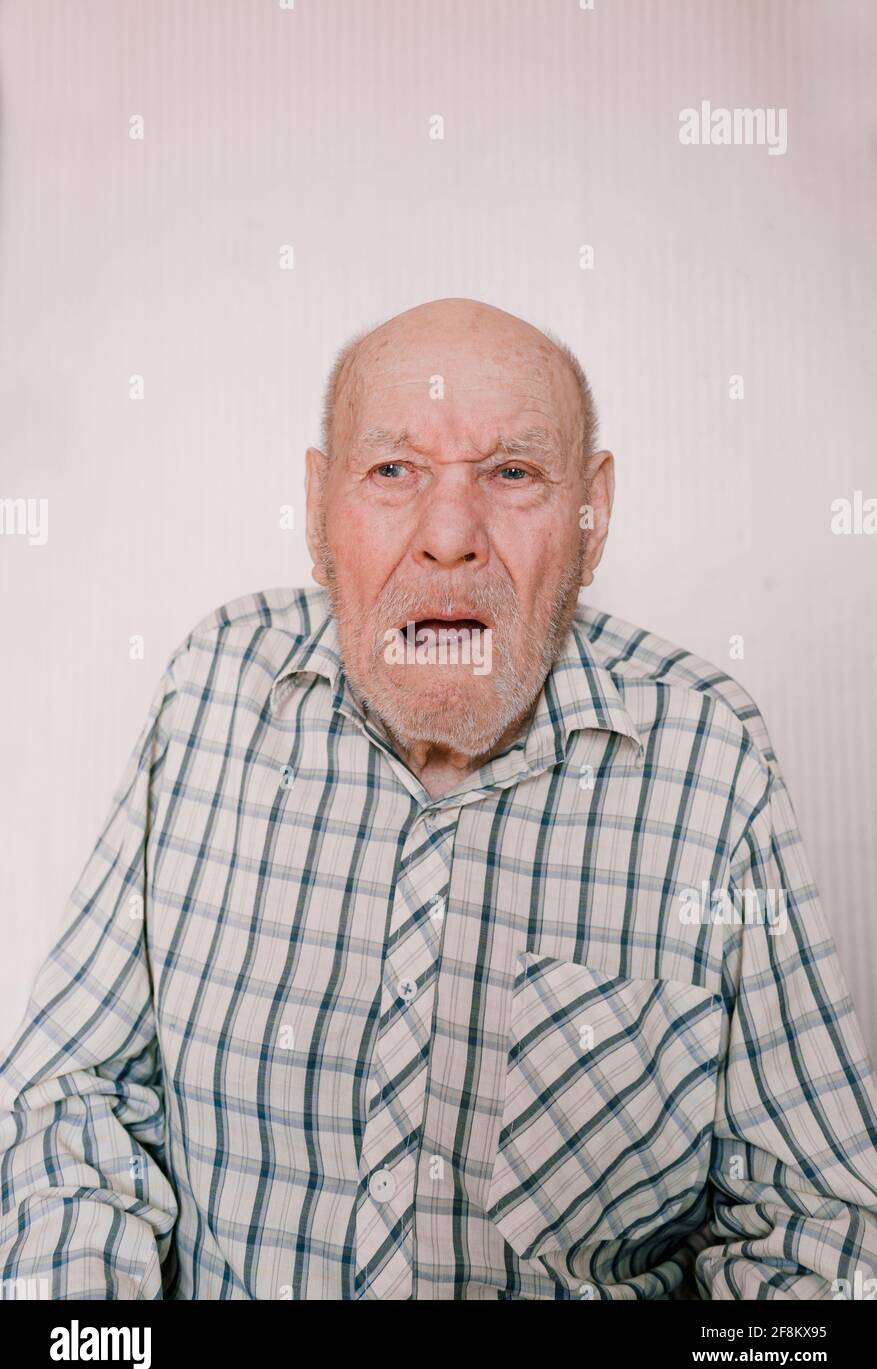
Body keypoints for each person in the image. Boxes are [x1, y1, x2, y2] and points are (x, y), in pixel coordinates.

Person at [2, 298, 876, 1300]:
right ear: (317, 508)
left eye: (511, 473)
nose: (449, 536)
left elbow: (814, 1227)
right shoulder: (213, 690)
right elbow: (74, 1098)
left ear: (591, 517)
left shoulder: (707, 761)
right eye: (391, 471)